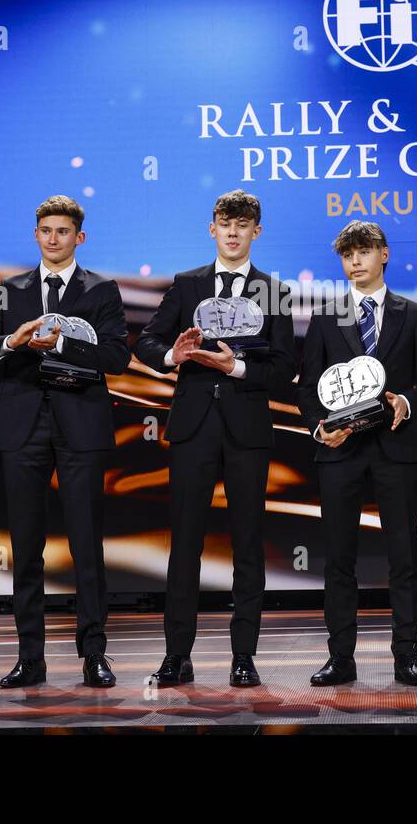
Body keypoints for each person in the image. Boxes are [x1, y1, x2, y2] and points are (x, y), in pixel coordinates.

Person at [0, 195, 131, 689]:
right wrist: (13, 342)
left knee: (85, 545)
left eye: (63, 231)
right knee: (26, 547)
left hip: (80, 427)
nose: (53, 238)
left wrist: (58, 343)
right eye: (45, 230)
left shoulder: (102, 290)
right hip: (23, 428)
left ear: (81, 237)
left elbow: (118, 357)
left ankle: (94, 653)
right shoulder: (9, 292)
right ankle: (29, 657)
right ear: (36, 235)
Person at [134, 190, 296, 687]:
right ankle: (175, 656)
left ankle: (243, 656)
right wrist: (172, 357)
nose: (233, 231)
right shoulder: (187, 285)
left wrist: (238, 366)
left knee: (248, 546)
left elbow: (287, 366)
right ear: (212, 229)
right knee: (185, 545)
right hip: (193, 426)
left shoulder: (274, 290)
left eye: (243, 224)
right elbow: (146, 342)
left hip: (247, 429)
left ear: (256, 232)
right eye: (225, 223)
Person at [297, 221, 417, 686]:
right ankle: (340, 657)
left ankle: (408, 656)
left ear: (385, 255)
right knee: (339, 559)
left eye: (364, 252)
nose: (355, 262)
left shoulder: (413, 313)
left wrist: (407, 402)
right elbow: (307, 389)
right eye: (348, 255)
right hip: (341, 453)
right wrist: (322, 429)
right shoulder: (326, 316)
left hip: (397, 450)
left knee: (404, 558)